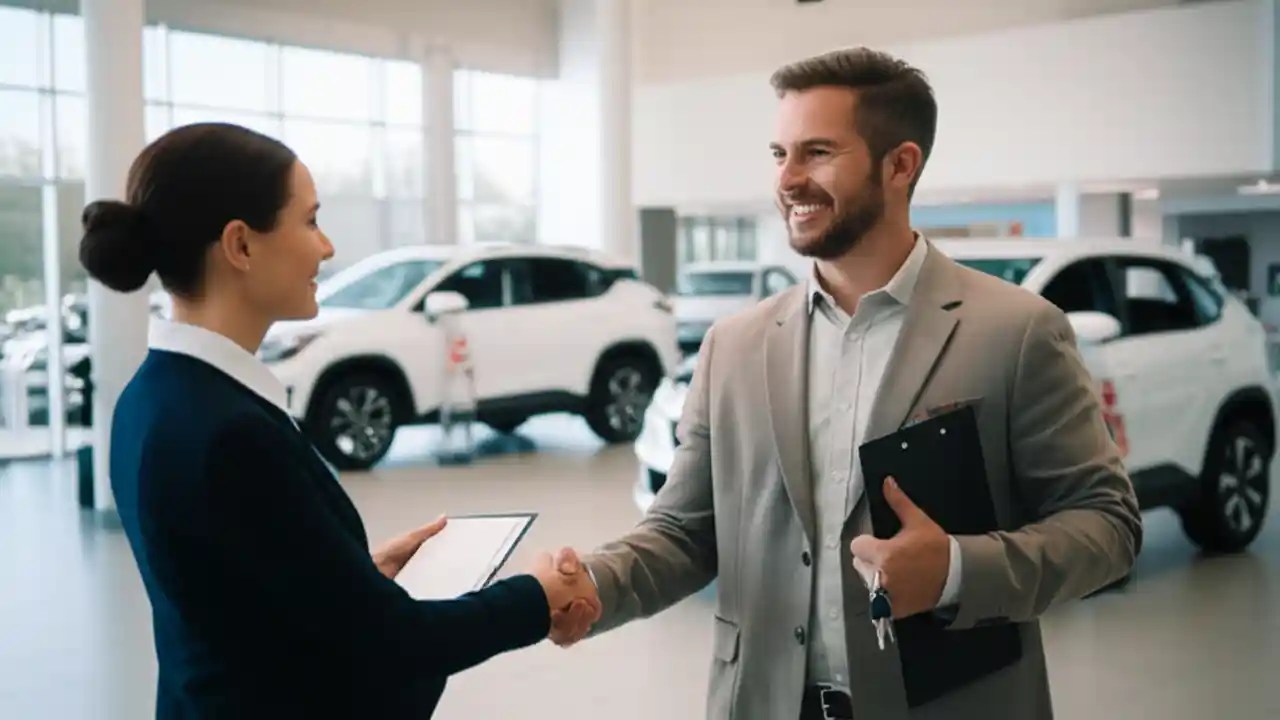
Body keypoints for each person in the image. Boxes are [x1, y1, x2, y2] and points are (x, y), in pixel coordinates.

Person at [549, 47, 1143, 719]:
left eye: (818, 153)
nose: (789, 179)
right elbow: (685, 532)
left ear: (900, 165)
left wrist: (954, 569)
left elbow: (1108, 526)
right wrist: (590, 583)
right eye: (780, 155)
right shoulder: (734, 346)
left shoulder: (1017, 331)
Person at [79, 122, 599, 719]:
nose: (326, 247)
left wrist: (351, 574)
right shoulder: (230, 434)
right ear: (241, 246)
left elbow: (233, 602)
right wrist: (536, 595)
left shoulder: (151, 397)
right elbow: (395, 643)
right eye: (310, 220)